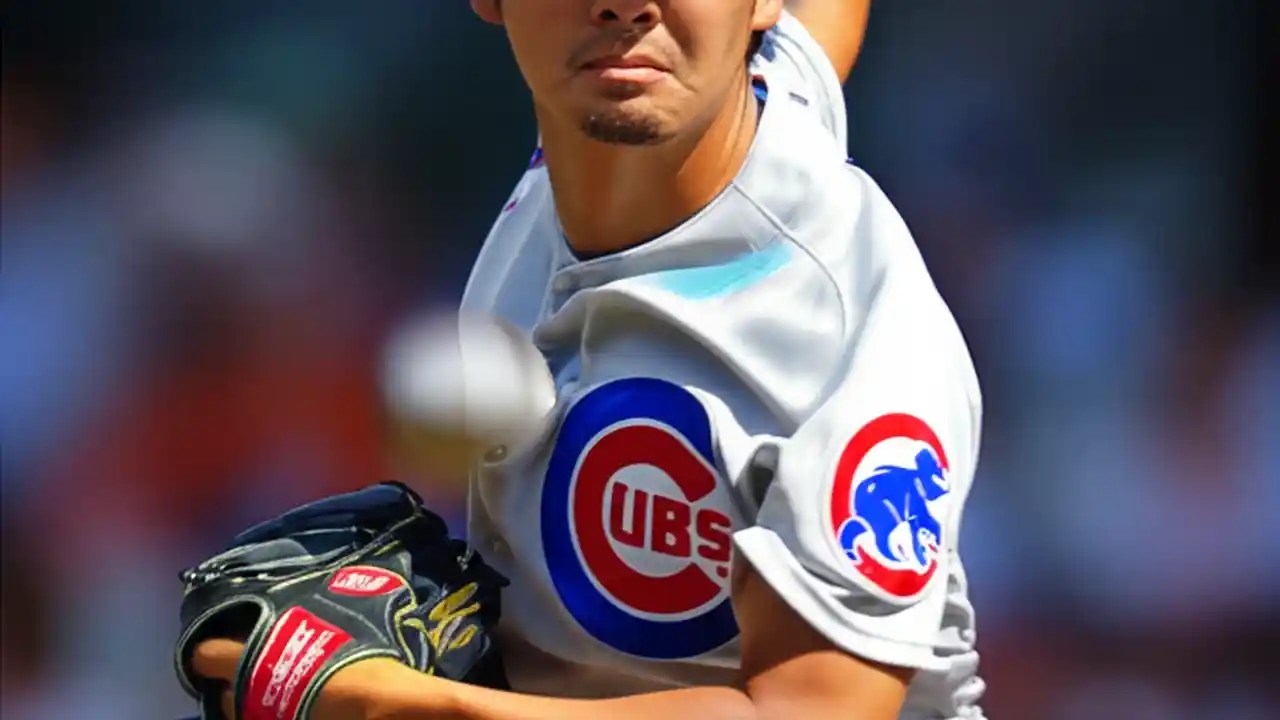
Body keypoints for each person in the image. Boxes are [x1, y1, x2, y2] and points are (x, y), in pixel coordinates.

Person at [192, 1, 987, 718]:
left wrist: (388, 702)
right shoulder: (679, 108)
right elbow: (822, 30)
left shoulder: (851, 330)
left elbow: (810, 716)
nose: (624, 3)